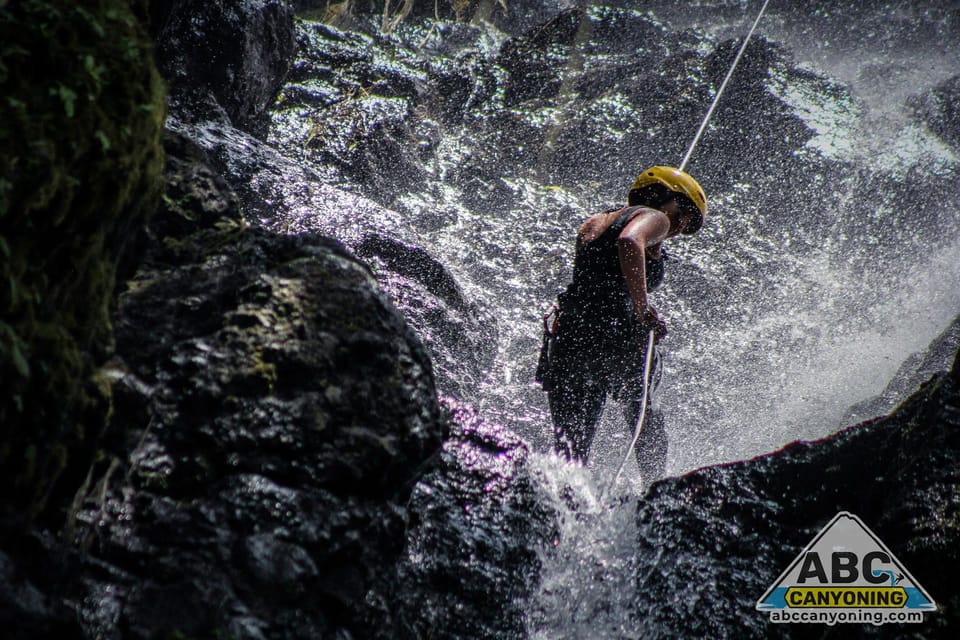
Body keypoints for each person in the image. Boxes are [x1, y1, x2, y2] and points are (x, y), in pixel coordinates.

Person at [536, 166, 708, 482]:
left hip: (570, 337)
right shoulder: (656, 218)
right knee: (645, 415)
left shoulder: (595, 223)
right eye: (684, 215)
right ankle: (657, 492)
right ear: (667, 196)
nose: (679, 228)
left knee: (570, 451)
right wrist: (643, 312)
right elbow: (630, 242)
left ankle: (564, 512)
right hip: (615, 336)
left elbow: (598, 281)